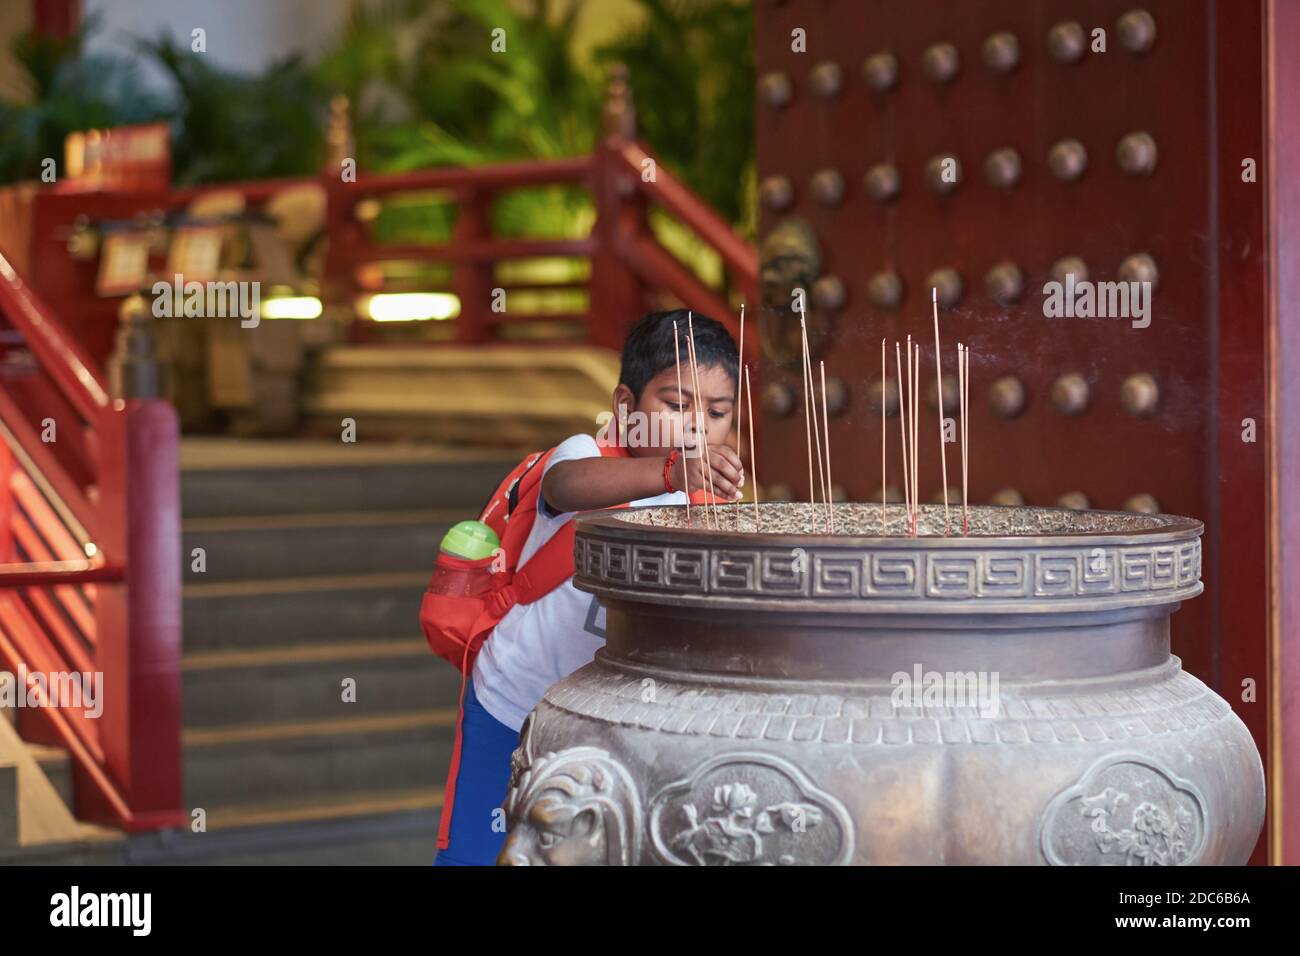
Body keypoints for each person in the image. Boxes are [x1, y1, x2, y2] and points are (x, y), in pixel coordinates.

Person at [433, 308, 742, 865]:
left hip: (607, 719)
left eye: (717, 413)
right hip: (517, 700)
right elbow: (566, 486)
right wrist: (673, 472)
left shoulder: (704, 506)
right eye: (677, 406)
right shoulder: (586, 456)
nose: (699, 427)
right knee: (483, 852)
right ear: (626, 407)